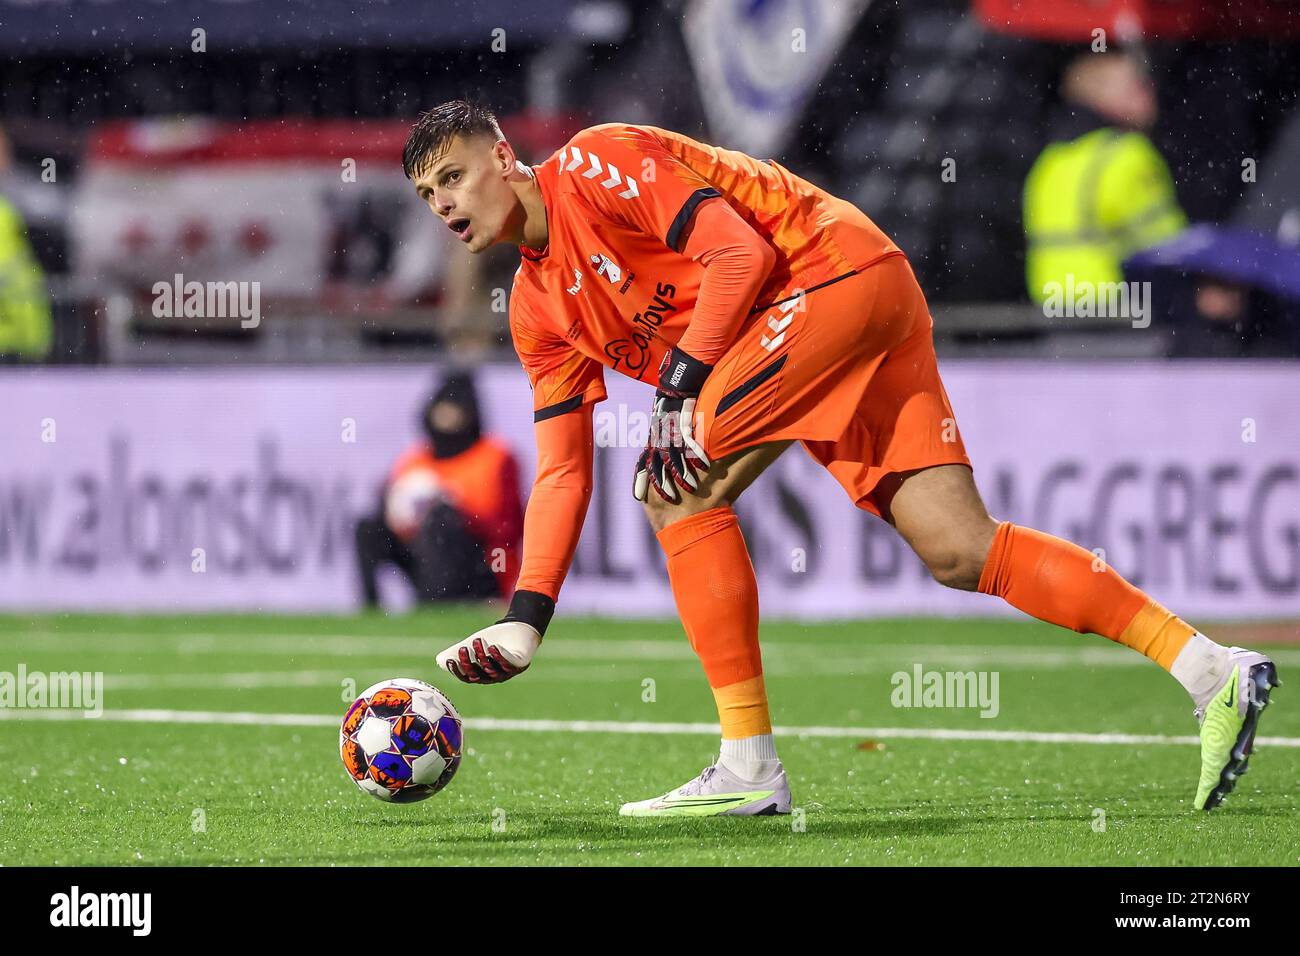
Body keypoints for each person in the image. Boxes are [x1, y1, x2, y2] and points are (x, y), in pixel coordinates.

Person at [403, 100, 1279, 816]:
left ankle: (749, 763)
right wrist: (527, 618)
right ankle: (1211, 670)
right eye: (426, 194)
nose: (443, 202)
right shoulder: (533, 307)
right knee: (957, 549)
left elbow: (740, 253)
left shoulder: (596, 160)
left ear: (506, 156)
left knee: (675, 488)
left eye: (452, 175)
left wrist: (676, 391)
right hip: (830, 317)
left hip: (826, 274)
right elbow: (562, 469)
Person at [1023, 51, 1186, 311]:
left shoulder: (1051, 159)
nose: (1149, 90)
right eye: (1136, 85)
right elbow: (1169, 246)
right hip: (1118, 307)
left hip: (1053, 305)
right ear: (1102, 98)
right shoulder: (1130, 152)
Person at [354, 370, 523, 609]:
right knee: (367, 528)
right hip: (421, 553)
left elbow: (500, 523)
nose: (447, 418)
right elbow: (393, 511)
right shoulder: (415, 460)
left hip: (477, 562)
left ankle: (435, 605)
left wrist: (447, 502)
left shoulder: (495, 456)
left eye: (454, 411)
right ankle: (370, 609)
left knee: (441, 520)